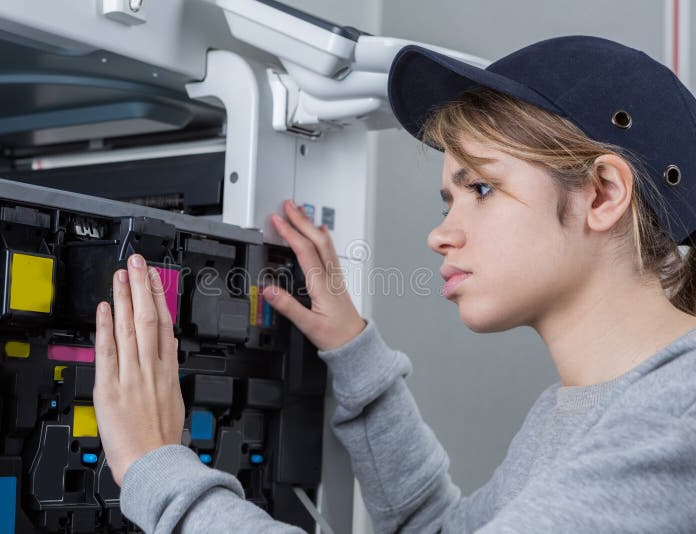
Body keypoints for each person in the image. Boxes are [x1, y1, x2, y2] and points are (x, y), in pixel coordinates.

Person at [92, 35, 696, 533]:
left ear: (602, 194)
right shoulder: (585, 409)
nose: (441, 235)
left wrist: (159, 471)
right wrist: (353, 350)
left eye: (480, 188)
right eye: (446, 202)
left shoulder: (678, 417)